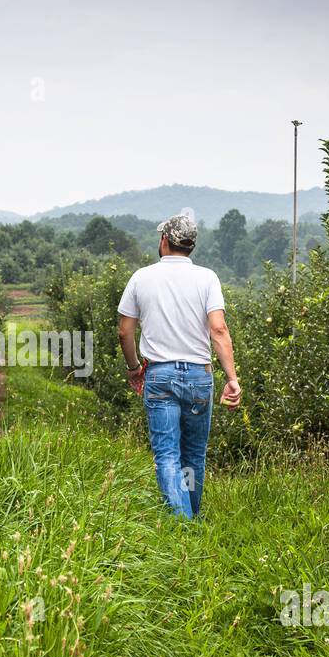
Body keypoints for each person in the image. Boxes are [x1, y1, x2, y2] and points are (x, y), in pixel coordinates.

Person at [116, 213, 241, 518]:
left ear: (164, 241)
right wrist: (232, 378)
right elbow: (219, 329)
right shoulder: (207, 278)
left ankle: (182, 527)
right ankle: (192, 517)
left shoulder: (141, 277)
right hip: (200, 376)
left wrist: (134, 368)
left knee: (167, 455)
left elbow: (124, 330)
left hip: (159, 375)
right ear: (191, 245)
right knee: (193, 456)